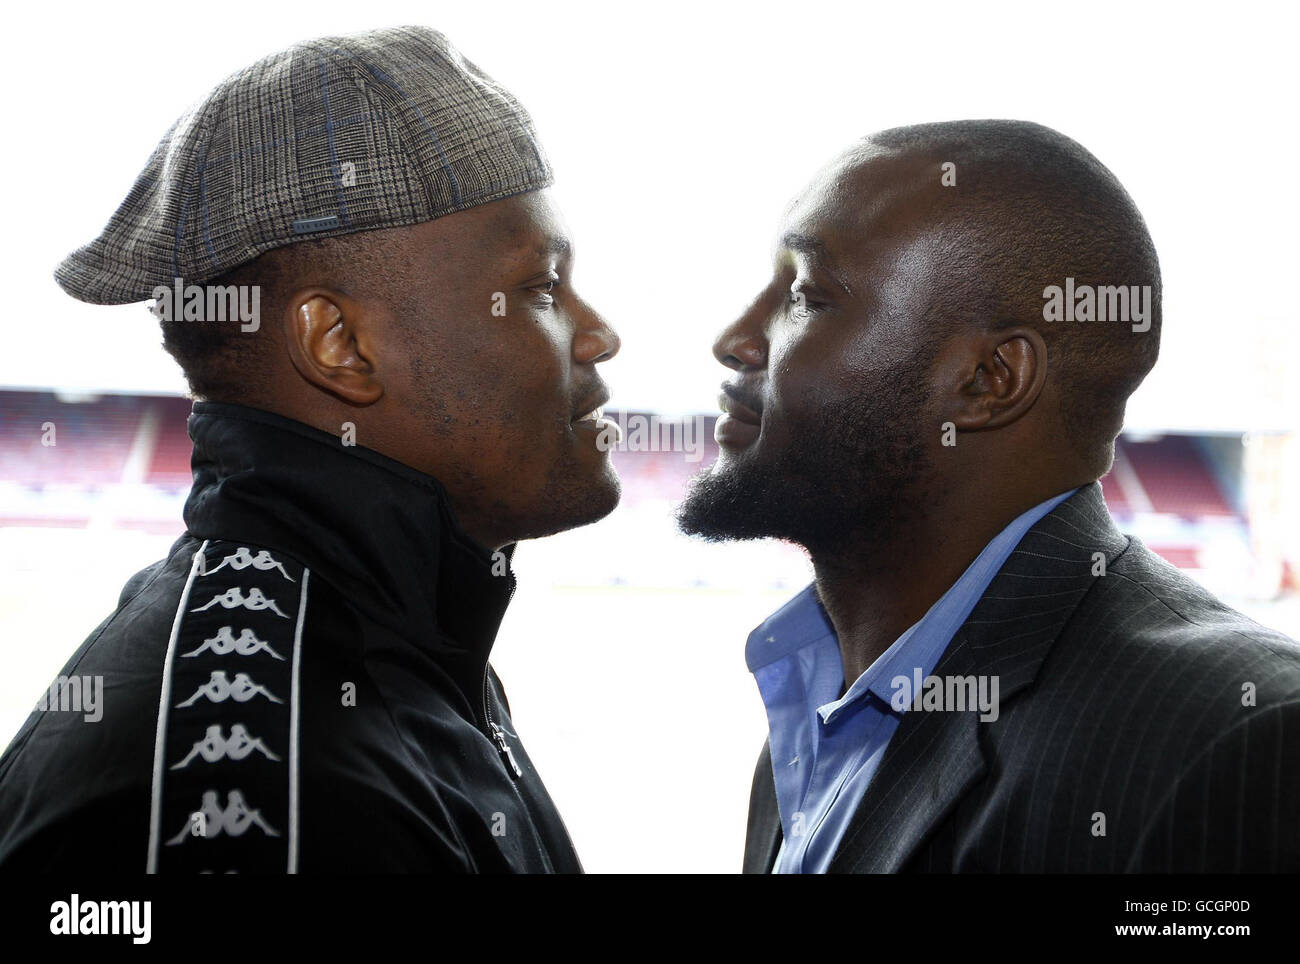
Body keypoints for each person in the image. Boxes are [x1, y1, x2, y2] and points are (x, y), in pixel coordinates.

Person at [0, 25, 620, 873]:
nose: (598, 336)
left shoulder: (378, 638)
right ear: (339, 344)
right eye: (540, 288)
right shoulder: (267, 783)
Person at [677, 119, 1300, 873]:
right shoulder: (815, 708)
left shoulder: (1239, 741)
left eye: (808, 296)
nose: (737, 338)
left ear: (988, 381)